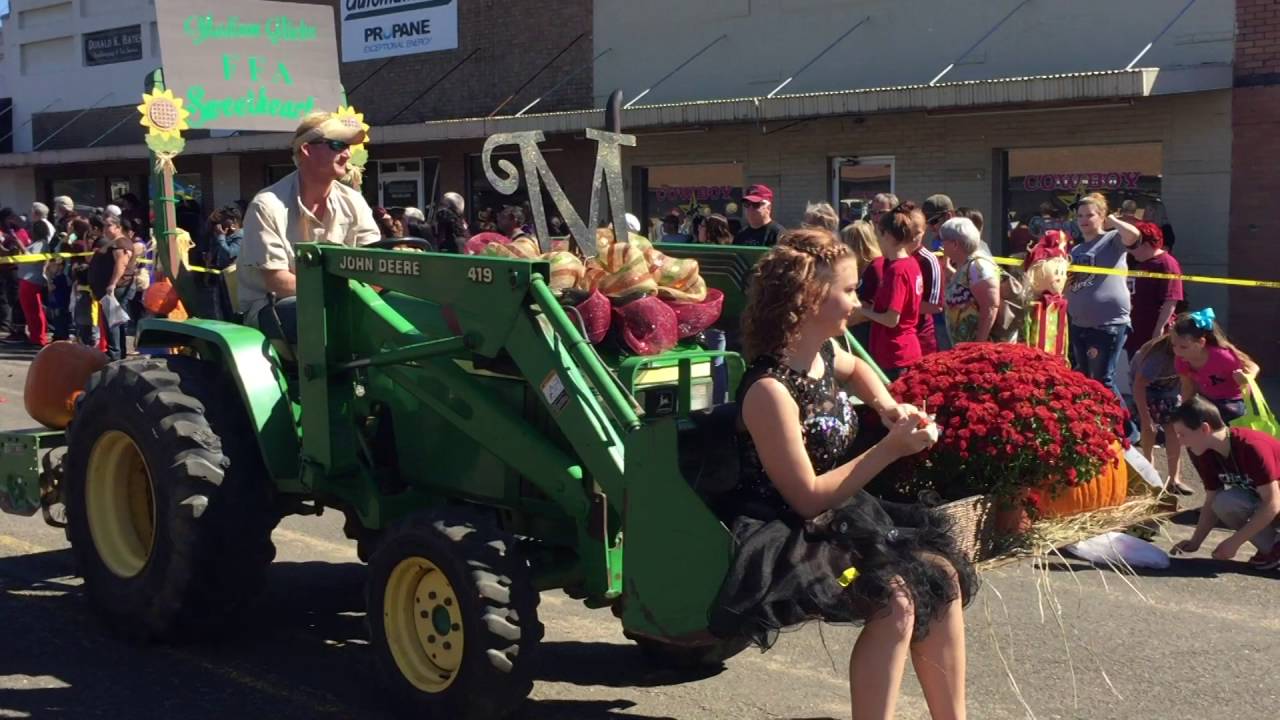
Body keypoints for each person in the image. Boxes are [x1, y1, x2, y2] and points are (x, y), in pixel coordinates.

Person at [718, 227, 976, 720]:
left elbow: (856, 369)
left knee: (942, 576)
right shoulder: (769, 390)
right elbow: (806, 498)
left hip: (838, 512)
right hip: (785, 527)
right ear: (810, 298)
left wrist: (889, 407)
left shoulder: (824, 354)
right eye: (851, 290)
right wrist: (890, 448)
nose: (860, 301)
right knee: (895, 601)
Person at [238, 111, 380, 346]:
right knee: (327, 314)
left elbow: (373, 260)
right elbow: (278, 282)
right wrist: (344, 293)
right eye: (337, 145)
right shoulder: (267, 205)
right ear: (306, 150)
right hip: (272, 306)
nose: (346, 154)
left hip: (341, 298)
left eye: (347, 147)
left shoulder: (353, 201)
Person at [1171, 396, 1280, 570]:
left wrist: (1234, 542)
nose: (1180, 441)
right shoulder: (1205, 453)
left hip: (1275, 503)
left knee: (1259, 500)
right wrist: (1195, 541)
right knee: (1224, 502)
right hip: (1271, 505)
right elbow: (1211, 501)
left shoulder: (1251, 447)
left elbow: (1273, 503)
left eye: (1182, 434)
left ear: (1204, 429)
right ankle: (1272, 547)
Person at [1064, 192, 1141, 434]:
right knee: (1085, 377)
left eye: (1090, 215)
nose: (1084, 220)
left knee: (1103, 379)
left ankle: (1128, 431)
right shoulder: (1076, 249)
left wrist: (1114, 221)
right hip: (1079, 323)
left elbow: (1134, 236)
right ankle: (1097, 425)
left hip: (1108, 322)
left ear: (1101, 217)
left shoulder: (1112, 240)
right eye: (1080, 216)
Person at [859, 203, 925, 381]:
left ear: (887, 235)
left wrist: (861, 310)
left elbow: (891, 319)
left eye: (878, 233)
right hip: (904, 349)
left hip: (895, 354)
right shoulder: (911, 263)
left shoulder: (897, 270)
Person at [1171, 309, 1259, 424]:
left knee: (1223, 418)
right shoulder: (1181, 359)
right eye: (1174, 345)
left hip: (1233, 401)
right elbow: (1187, 386)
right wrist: (1184, 412)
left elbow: (1253, 366)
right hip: (1208, 399)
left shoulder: (1222, 357)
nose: (1177, 351)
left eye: (1183, 347)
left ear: (1201, 343)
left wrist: (1247, 377)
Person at [1132, 334, 1191, 495]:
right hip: (1147, 389)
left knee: (1173, 429)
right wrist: (1146, 419)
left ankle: (1174, 480)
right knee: (1150, 430)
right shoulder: (1157, 358)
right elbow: (1139, 385)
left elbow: (1187, 384)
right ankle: (1148, 472)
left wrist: (1185, 409)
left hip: (1170, 390)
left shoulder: (1192, 355)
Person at [1124, 222, 1182, 357]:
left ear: (1145, 244)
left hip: (1153, 334)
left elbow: (1170, 300)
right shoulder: (1140, 263)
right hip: (1135, 333)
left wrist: (1159, 329)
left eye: (1133, 246)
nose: (1130, 251)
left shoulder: (1167, 264)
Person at [940, 218, 1001, 344]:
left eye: (943, 241)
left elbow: (990, 307)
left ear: (955, 244)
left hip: (979, 348)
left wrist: (978, 345)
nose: (942, 246)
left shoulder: (978, 266)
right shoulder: (965, 265)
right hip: (962, 346)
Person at [88, 215, 137, 361]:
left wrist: (112, 284)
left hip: (117, 288)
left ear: (118, 227)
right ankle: (118, 353)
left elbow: (121, 264)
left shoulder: (121, 243)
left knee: (113, 322)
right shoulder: (114, 242)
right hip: (110, 288)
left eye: (109, 225)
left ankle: (115, 353)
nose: (105, 228)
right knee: (116, 321)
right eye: (104, 225)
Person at [841, 219, 882, 353]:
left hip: (869, 335)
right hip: (857, 331)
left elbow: (872, 307)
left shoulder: (875, 268)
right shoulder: (860, 268)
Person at [919, 195, 952, 352]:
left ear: (948, 216)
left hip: (954, 311)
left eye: (933, 222)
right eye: (928, 223)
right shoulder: (936, 241)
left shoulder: (962, 240)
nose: (931, 228)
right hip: (939, 312)